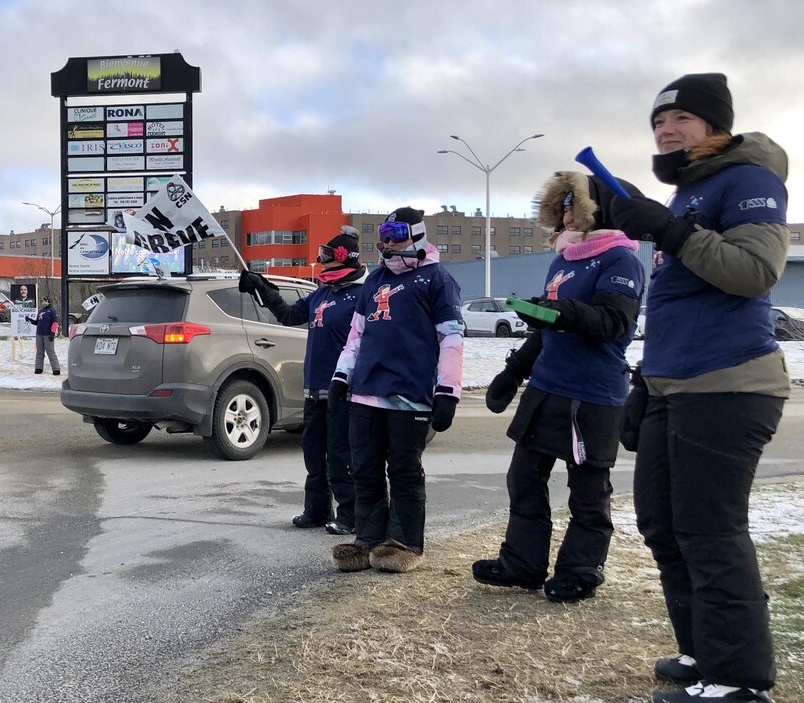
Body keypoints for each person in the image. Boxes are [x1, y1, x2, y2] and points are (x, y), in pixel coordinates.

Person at [609, 73, 790, 703]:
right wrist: (643, 387)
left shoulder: (750, 179)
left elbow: (753, 272)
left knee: (710, 530)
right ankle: (703, 652)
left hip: (730, 383)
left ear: (717, 125)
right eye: (659, 121)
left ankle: (738, 681)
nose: (666, 129)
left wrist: (668, 230)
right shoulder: (691, 191)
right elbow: (680, 305)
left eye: (682, 118)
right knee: (663, 523)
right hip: (672, 385)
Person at [472, 171, 644, 604]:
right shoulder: (562, 259)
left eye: (573, 203)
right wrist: (512, 374)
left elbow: (613, 323)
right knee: (524, 478)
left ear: (597, 207)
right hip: (547, 387)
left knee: (588, 491)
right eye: (562, 203)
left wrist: (559, 311)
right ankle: (522, 564)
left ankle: (581, 569)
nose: (565, 211)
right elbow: (547, 328)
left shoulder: (621, 260)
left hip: (592, 395)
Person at [328, 207, 465, 574]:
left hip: (410, 395)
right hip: (366, 390)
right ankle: (368, 539)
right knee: (365, 467)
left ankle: (405, 542)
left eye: (395, 233)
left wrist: (448, 390)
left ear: (416, 234)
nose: (387, 241)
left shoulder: (437, 279)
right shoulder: (374, 280)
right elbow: (357, 334)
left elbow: (450, 337)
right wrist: (342, 376)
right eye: (383, 234)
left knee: (403, 469)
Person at [239, 225, 368, 535]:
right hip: (313, 389)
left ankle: (350, 514)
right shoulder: (322, 292)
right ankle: (317, 509)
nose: (320, 260)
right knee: (313, 453)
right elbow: (288, 314)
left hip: (343, 391)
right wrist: (263, 287)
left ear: (344, 258)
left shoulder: (362, 294)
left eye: (326, 255)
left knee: (340, 455)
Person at [27, 297, 61, 375]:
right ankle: (38, 368)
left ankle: (56, 368)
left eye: (43, 301)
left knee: (50, 352)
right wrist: (29, 320)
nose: (42, 302)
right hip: (39, 334)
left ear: (48, 301)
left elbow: (55, 322)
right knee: (39, 352)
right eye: (41, 301)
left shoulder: (52, 310)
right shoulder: (41, 311)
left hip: (48, 334)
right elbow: (37, 322)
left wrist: (52, 333)